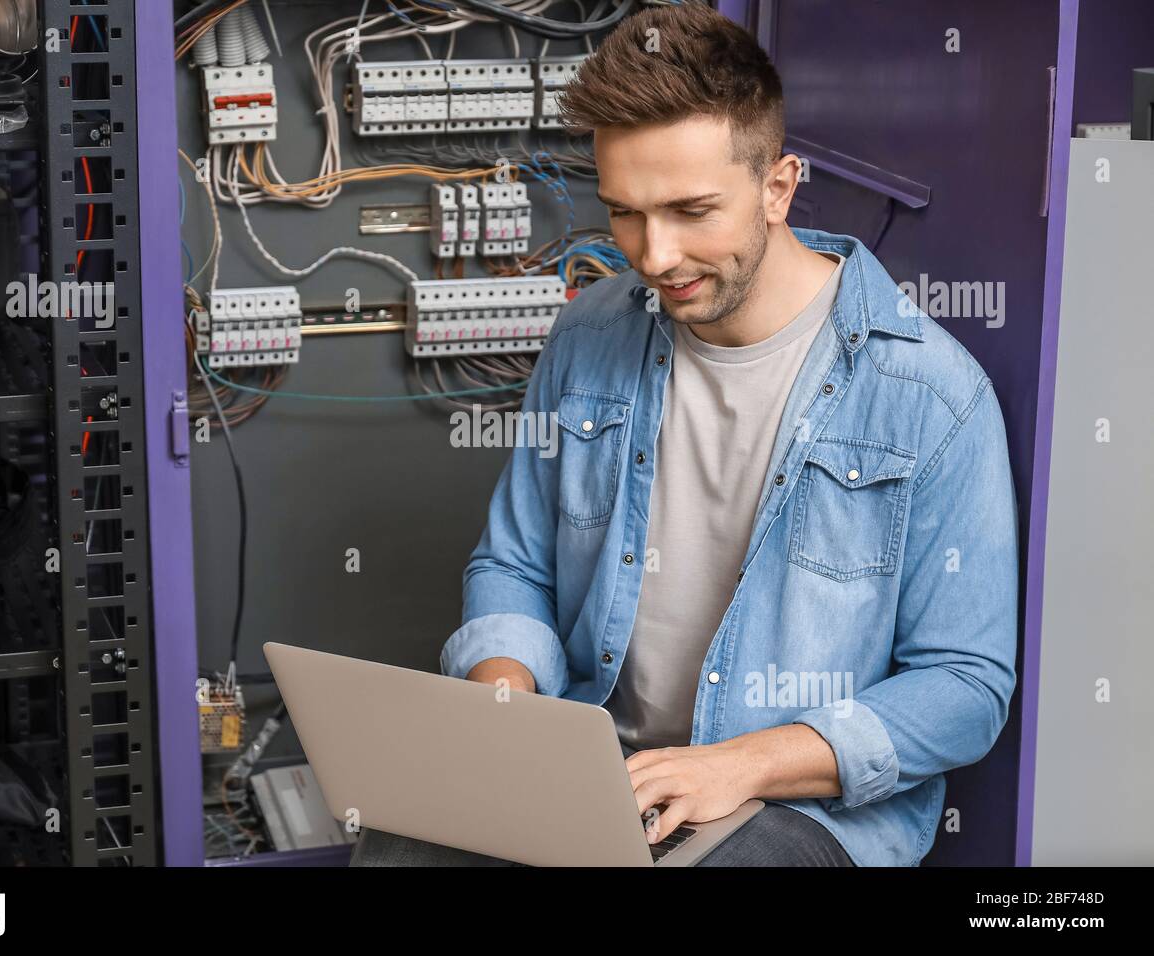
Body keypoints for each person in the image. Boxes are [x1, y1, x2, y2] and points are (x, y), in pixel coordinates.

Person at [353, 2, 1018, 867]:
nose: (654, 255)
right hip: (601, 767)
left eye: (690, 210)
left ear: (778, 188)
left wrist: (740, 766)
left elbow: (965, 688)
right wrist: (504, 699)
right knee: (402, 846)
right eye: (624, 212)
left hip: (798, 813)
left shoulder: (931, 393)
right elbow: (515, 565)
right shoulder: (590, 335)